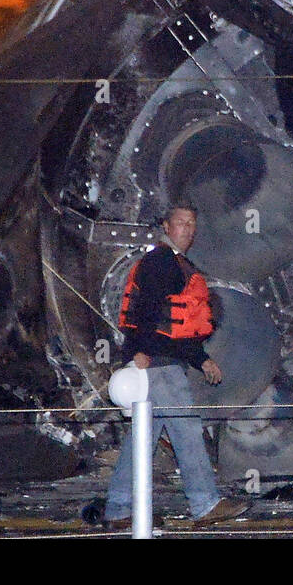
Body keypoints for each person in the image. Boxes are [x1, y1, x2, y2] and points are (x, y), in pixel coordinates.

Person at [101, 201, 249, 529]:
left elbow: (175, 326)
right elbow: (146, 311)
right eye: (182, 223)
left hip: (159, 362)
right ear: (166, 226)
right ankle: (205, 504)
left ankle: (118, 508)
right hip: (159, 365)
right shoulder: (161, 262)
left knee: (142, 437)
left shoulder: (173, 263)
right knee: (186, 429)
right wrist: (138, 352)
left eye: (192, 225)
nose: (188, 230)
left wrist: (201, 359)